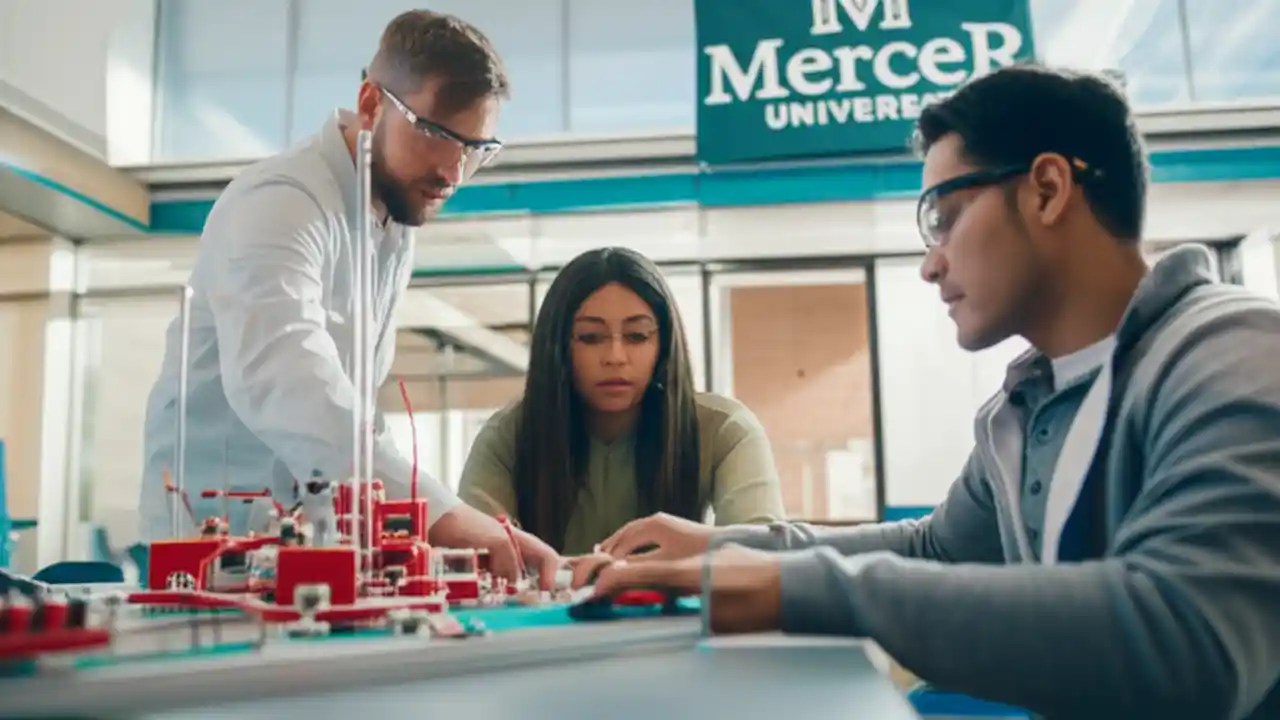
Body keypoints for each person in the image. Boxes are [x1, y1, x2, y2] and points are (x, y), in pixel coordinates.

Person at [569, 65, 1280, 719]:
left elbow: (1190, 641)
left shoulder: (1234, 352)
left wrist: (780, 588)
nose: (930, 265)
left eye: (943, 218)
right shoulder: (1025, 406)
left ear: (1048, 189)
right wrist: (719, 546)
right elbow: (937, 550)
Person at [138, 10, 560, 588]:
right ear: (370, 103)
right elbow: (289, 380)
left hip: (306, 547)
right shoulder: (281, 202)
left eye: (475, 148)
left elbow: (357, 415)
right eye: (437, 133)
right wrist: (447, 516)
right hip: (210, 550)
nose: (453, 172)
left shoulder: (392, 219)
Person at [457, 247, 785, 556]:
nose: (615, 357)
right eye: (590, 337)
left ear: (664, 345)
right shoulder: (509, 435)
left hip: (679, 616)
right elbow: (475, 552)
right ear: (557, 347)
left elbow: (761, 552)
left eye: (637, 336)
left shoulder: (725, 428)